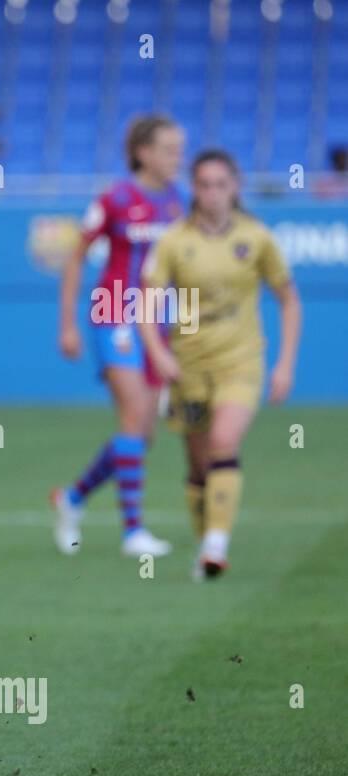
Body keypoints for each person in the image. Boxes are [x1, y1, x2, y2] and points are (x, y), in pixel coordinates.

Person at [141, 149, 301, 578]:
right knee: (197, 465)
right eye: (203, 184)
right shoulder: (174, 240)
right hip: (189, 362)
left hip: (241, 358)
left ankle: (216, 545)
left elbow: (288, 299)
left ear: (235, 188)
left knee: (223, 443)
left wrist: (284, 363)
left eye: (220, 184)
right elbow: (147, 303)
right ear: (193, 189)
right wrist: (158, 354)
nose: (211, 193)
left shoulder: (257, 238)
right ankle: (205, 547)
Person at [53, 115, 184, 558]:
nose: (176, 158)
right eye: (168, 150)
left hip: (157, 324)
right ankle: (133, 533)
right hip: (116, 317)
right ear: (143, 153)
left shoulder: (180, 203)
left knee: (142, 433)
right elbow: (76, 258)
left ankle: (72, 499)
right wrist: (68, 323)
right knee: (133, 420)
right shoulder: (114, 200)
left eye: (179, 150)